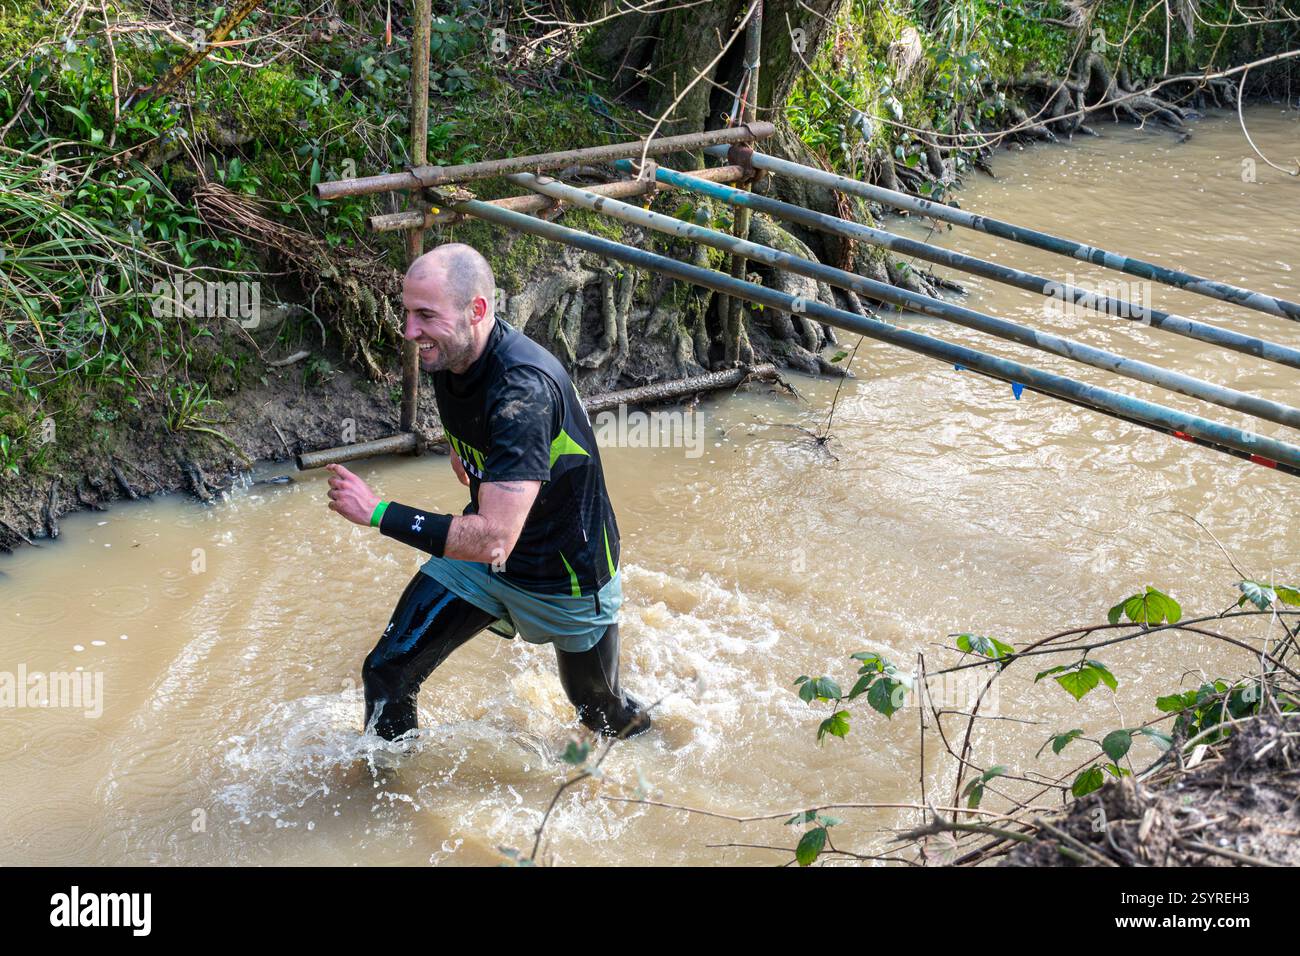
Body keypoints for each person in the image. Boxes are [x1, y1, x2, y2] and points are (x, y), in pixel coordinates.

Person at [324, 242, 650, 743]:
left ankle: (661, 751)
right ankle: (387, 805)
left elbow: (493, 537)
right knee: (387, 672)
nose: (410, 333)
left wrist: (379, 512)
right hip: (487, 565)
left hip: (565, 575)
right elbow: (470, 463)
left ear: (476, 310)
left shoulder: (523, 390)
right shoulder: (452, 356)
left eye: (425, 315)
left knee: (599, 711)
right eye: (407, 313)